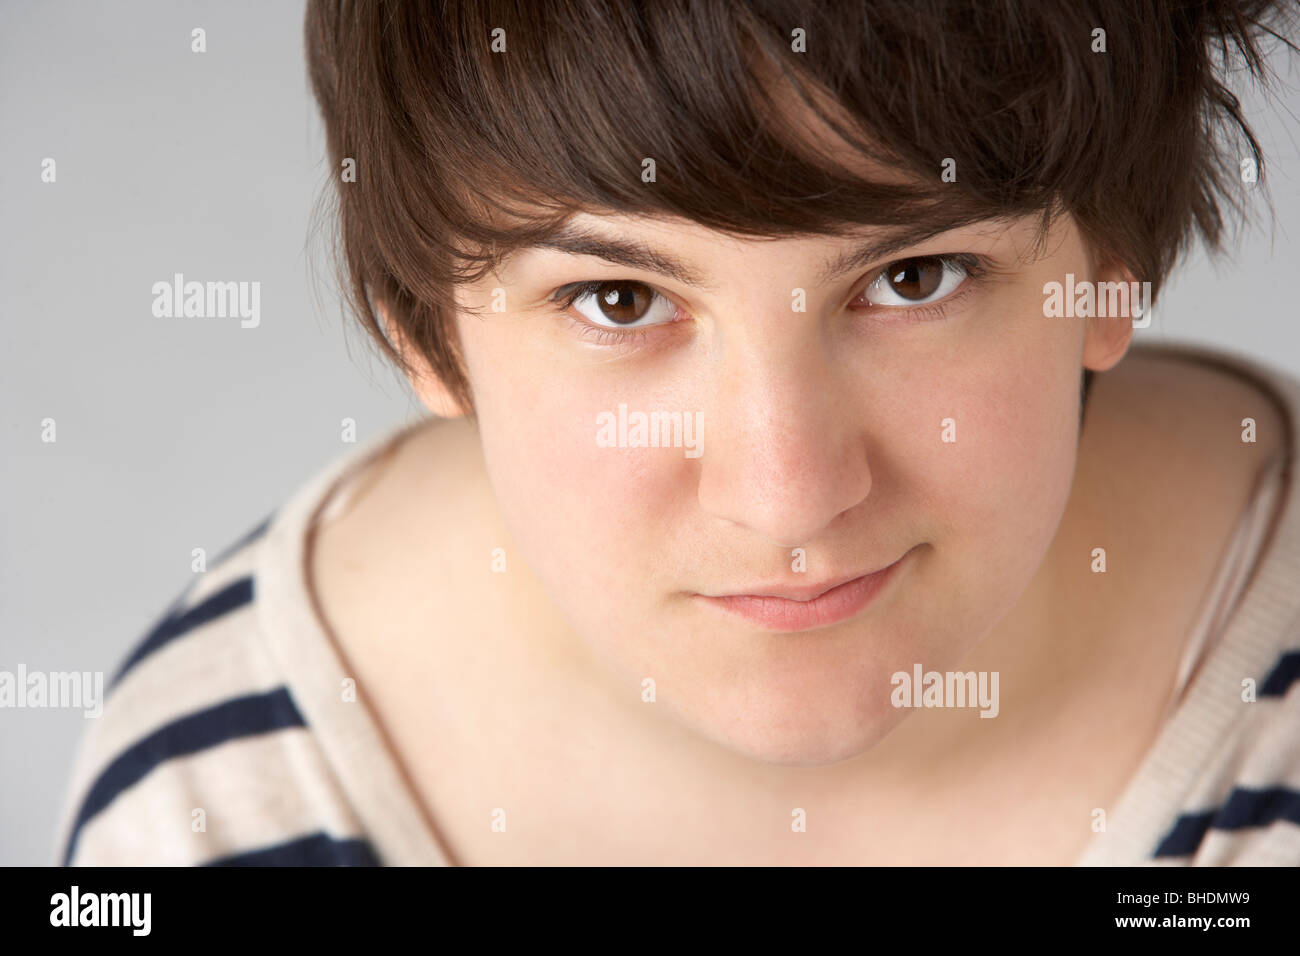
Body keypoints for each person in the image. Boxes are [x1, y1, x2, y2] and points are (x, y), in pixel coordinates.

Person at [58, 0, 1300, 865]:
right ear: (426, 334)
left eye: (913, 277)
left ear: (1110, 268)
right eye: (619, 299)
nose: (786, 494)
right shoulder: (211, 801)